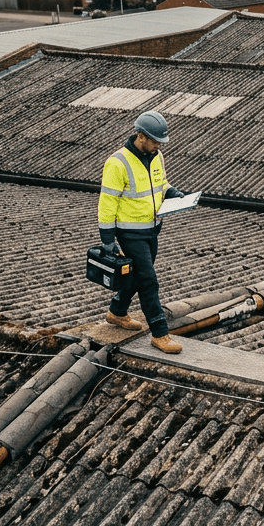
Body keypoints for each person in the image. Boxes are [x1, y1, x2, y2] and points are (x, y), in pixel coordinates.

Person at [98, 110, 186, 353]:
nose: (159, 145)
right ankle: (160, 334)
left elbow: (160, 184)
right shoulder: (117, 163)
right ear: (141, 137)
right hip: (130, 233)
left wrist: (173, 193)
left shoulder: (156, 156)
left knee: (137, 276)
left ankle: (117, 312)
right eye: (156, 141)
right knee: (149, 281)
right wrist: (108, 240)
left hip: (152, 229)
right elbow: (107, 203)